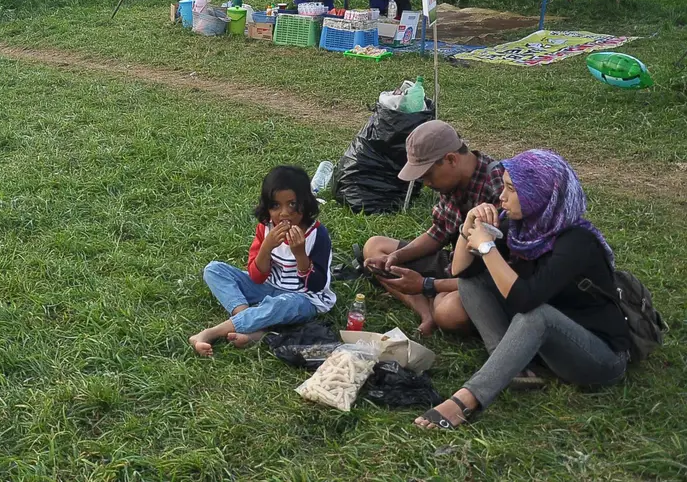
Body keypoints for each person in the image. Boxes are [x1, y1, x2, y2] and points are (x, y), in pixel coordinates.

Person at [414, 150, 629, 430]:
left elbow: (525, 300)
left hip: (599, 357)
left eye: (511, 189)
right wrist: (468, 226)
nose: (501, 196)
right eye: (503, 186)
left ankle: (467, 399)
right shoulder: (521, 227)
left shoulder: (577, 242)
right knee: (473, 283)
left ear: (538, 195)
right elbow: (462, 272)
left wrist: (487, 247)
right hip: (549, 348)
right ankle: (511, 366)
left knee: (538, 316)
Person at [362, 121, 505, 335]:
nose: (426, 183)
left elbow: (499, 270)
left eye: (428, 175)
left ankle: (433, 301)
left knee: (449, 312)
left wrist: (428, 284)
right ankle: (426, 313)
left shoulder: (499, 184)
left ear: (451, 159)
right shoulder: (451, 180)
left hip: (483, 277)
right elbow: (438, 233)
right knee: (375, 246)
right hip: (452, 263)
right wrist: (398, 257)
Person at [190, 166, 336, 356]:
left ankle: (210, 333)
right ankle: (252, 326)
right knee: (214, 270)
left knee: (282, 305)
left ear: (305, 203)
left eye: (292, 204)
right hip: (269, 285)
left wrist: (300, 253)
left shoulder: (317, 234)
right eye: (275, 206)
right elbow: (256, 277)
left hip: (303, 297)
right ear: (267, 207)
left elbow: (317, 285)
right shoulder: (265, 228)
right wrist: (266, 247)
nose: (284, 213)